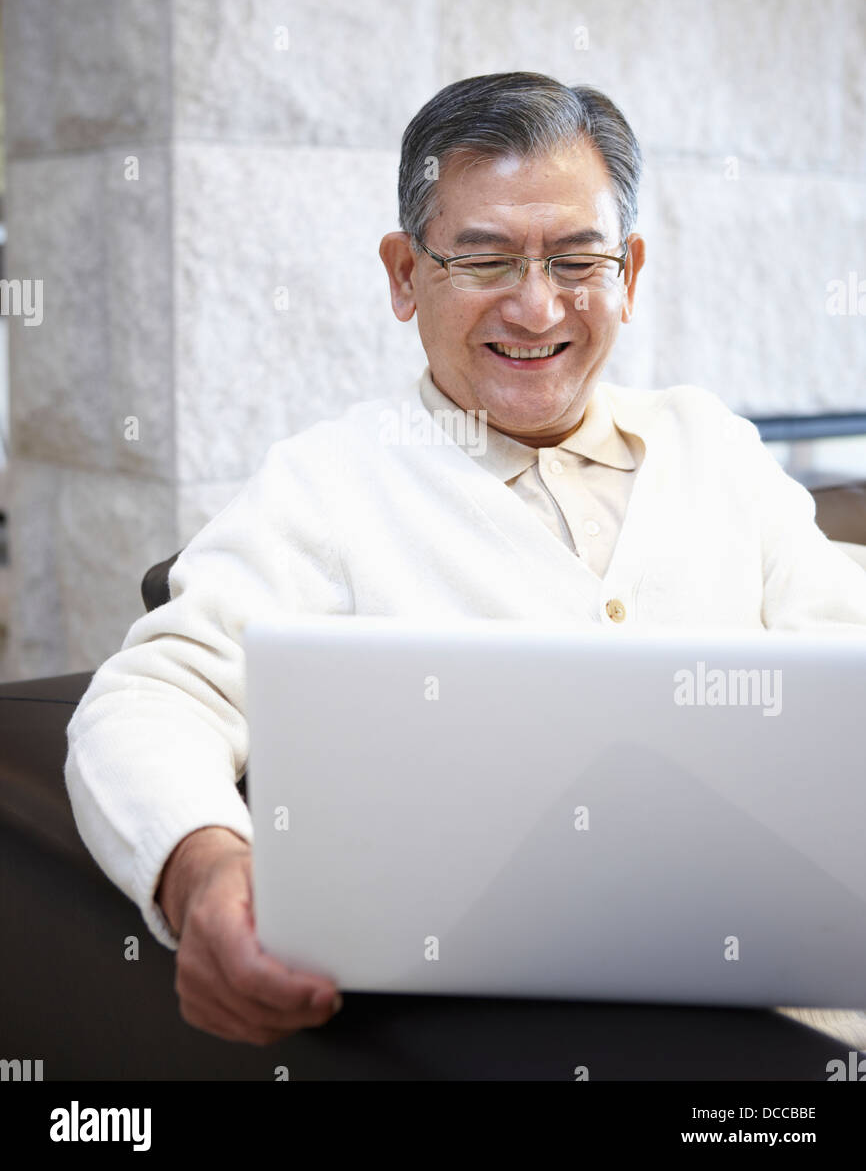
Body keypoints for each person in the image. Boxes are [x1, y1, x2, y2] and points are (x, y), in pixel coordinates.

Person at [65, 72, 866, 1046]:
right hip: (493, 1022)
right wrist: (203, 871)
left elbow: (842, 646)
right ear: (404, 275)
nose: (535, 309)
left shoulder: (712, 447)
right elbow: (148, 700)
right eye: (483, 260)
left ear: (629, 273)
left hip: (792, 989)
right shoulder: (329, 485)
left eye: (577, 259)